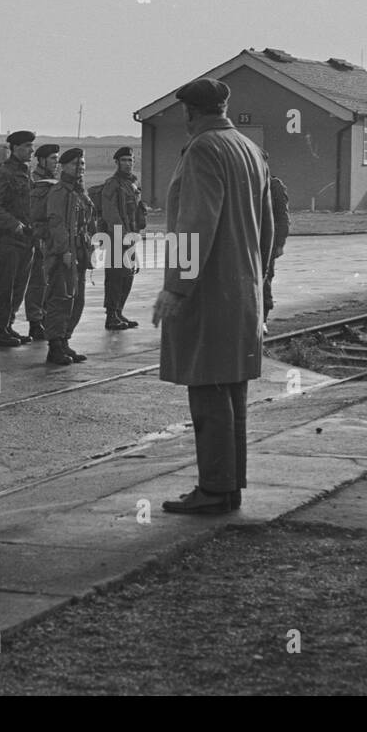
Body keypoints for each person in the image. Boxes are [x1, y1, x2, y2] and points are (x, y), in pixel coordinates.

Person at [155, 78, 274, 515]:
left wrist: (176, 287)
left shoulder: (205, 149)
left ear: (189, 112)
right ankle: (227, 485)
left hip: (209, 291)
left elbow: (195, 226)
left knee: (207, 390)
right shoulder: (248, 148)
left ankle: (214, 488)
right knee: (231, 390)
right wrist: (261, 282)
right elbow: (269, 226)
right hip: (243, 290)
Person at [0, 130, 37, 348]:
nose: (31, 150)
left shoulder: (26, 173)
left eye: (32, 146)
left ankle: (8, 325)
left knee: (18, 286)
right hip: (9, 239)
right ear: (14, 149)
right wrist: (15, 225)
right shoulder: (4, 173)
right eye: (26, 146)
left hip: (26, 239)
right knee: (5, 286)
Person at [43, 148, 94, 365]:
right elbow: (57, 223)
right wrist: (65, 250)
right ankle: (54, 346)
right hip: (65, 253)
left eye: (82, 164)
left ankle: (65, 341)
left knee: (77, 300)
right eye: (75, 164)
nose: (79, 168)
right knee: (61, 299)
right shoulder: (59, 192)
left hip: (80, 252)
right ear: (64, 167)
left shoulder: (79, 192)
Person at [100, 146, 145, 330]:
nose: (128, 164)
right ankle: (111, 316)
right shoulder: (113, 184)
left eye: (131, 160)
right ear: (117, 163)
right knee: (116, 277)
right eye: (124, 160)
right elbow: (111, 213)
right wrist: (122, 236)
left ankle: (119, 312)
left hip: (130, 237)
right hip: (116, 238)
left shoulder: (131, 184)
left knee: (128, 277)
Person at [24, 143, 60, 340]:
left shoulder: (55, 181)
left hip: (54, 238)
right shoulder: (34, 181)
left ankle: (45, 317)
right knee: (37, 281)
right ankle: (35, 321)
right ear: (43, 160)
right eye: (53, 158)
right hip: (39, 237)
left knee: (50, 280)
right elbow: (32, 211)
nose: (56, 162)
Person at [262, 151, 289, 326]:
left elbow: (282, 217)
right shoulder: (246, 185)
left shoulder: (274, 185)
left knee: (265, 278)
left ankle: (262, 318)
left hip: (268, 243)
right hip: (248, 243)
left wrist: (280, 243)